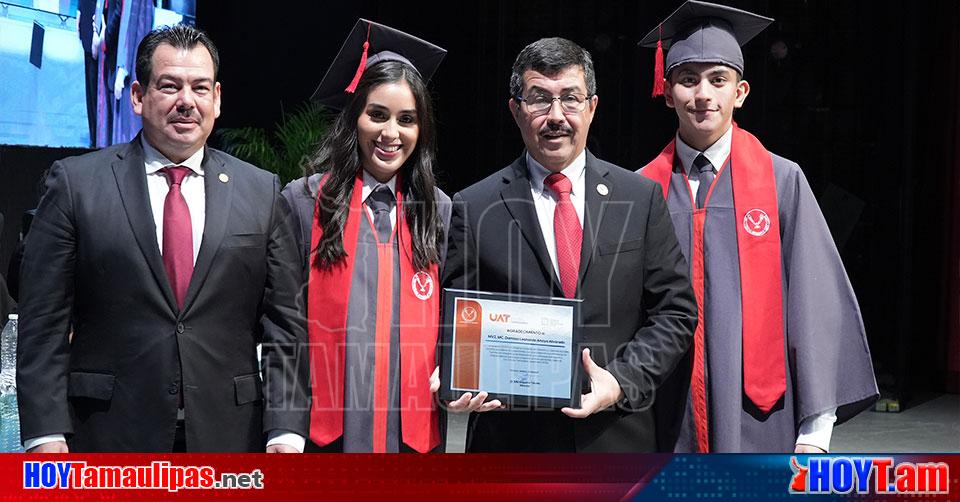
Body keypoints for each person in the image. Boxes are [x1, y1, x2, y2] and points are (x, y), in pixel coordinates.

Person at [16, 24, 308, 453]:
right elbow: (43, 323)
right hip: (106, 434)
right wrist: (45, 434)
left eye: (200, 88)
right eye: (169, 86)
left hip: (230, 436)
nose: (186, 101)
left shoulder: (260, 191)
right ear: (138, 96)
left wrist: (285, 431)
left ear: (218, 99)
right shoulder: (76, 185)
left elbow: (287, 325)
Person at [639, 0, 878, 453]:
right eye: (688, 80)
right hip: (662, 419)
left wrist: (815, 429)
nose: (703, 94)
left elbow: (815, 303)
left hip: (759, 417)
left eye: (718, 80)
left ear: (741, 92)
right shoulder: (641, 190)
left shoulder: (782, 181)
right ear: (668, 93)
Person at [442, 37, 697, 452]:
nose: (556, 116)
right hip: (511, 445)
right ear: (515, 110)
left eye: (571, 99)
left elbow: (676, 311)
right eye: (539, 99)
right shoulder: (474, 206)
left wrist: (619, 381)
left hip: (618, 439)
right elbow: (456, 318)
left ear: (592, 107)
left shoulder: (640, 198)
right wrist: (461, 376)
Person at [282, 20, 450, 453]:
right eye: (377, 114)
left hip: (412, 434)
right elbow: (283, 322)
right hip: (322, 433)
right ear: (354, 116)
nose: (391, 133)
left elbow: (455, 316)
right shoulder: (304, 201)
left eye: (407, 120)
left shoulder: (440, 209)